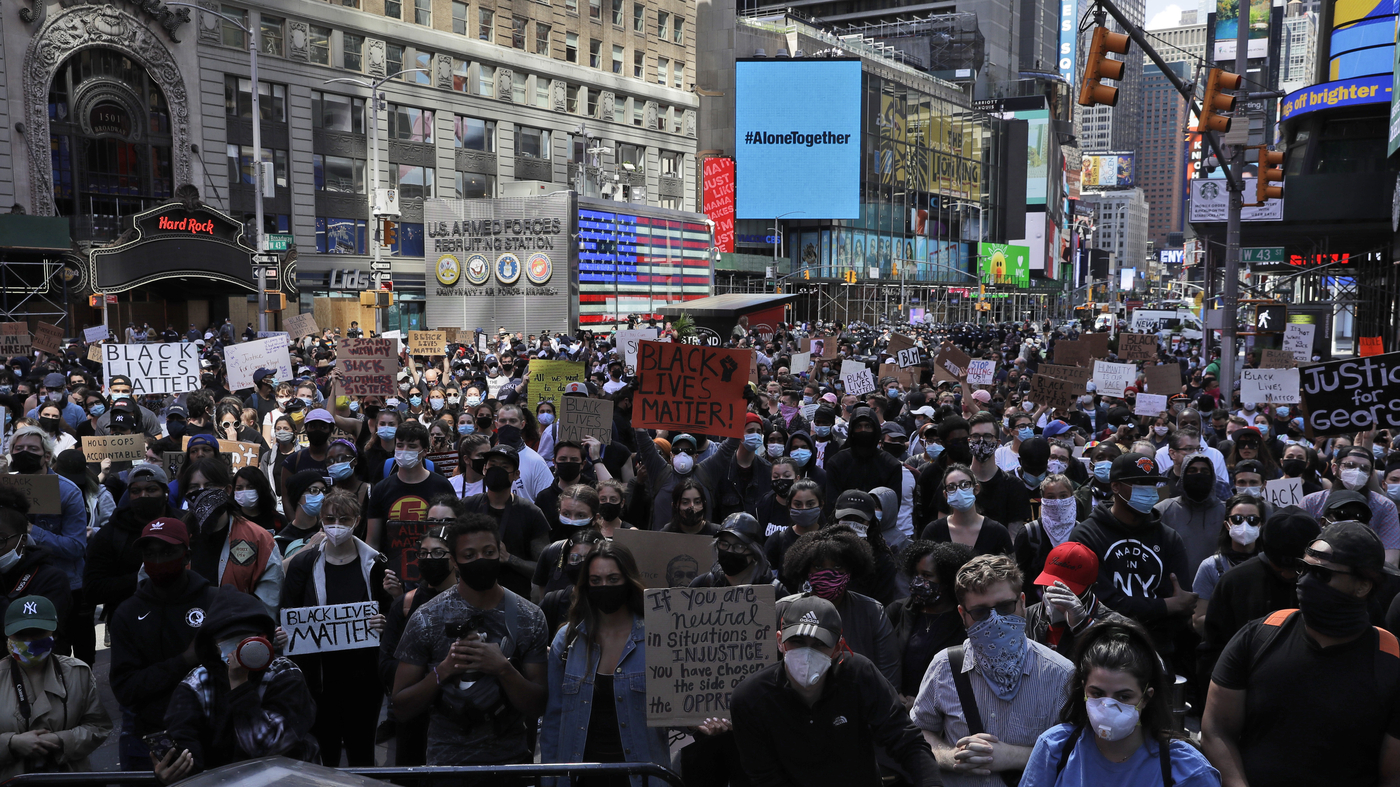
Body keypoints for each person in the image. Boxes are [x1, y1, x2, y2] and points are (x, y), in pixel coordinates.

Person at [1202, 521, 1400, 787]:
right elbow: (1216, 729)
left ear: (1362, 586)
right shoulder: (1258, 637)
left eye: (1321, 574)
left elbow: (1393, 775)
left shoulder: (1390, 662)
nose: (1305, 581)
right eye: (1303, 568)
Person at [729, 593, 941, 786]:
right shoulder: (751, 698)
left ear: (838, 648)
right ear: (780, 641)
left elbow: (906, 740)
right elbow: (764, 776)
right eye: (797, 641)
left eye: (819, 644)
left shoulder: (859, 675)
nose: (807, 653)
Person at [390, 514, 549, 766]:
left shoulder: (529, 617)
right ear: (454, 561)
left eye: (488, 552)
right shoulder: (426, 618)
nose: (480, 560)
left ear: (500, 552)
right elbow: (401, 707)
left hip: (511, 762)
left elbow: (538, 705)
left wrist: (503, 669)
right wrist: (444, 670)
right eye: (469, 555)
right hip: (446, 764)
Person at [910, 554, 1074, 787]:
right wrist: (950, 756)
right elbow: (919, 731)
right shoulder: (944, 666)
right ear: (963, 615)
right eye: (980, 612)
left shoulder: (1061, 675)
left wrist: (1013, 756)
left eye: (1005, 607)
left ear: (1022, 603)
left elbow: (1075, 752)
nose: (995, 620)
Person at [1020, 620, 1220, 787]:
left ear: (1146, 698)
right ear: (1084, 690)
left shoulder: (1185, 769)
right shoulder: (1054, 749)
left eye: (1123, 697)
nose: (1108, 706)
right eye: (1097, 693)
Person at [156, 585, 320, 783]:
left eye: (245, 639)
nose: (237, 649)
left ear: (263, 639)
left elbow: (270, 747)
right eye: (227, 640)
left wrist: (240, 687)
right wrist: (175, 769)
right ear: (214, 647)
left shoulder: (285, 674)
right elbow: (183, 738)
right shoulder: (197, 683)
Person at [540, 542, 670, 785]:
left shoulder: (657, 638)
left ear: (629, 581)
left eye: (613, 579)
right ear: (586, 585)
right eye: (595, 580)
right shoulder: (568, 641)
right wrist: (549, 780)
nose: (604, 587)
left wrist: (701, 722)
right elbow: (553, 720)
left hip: (641, 778)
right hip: (581, 777)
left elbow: (674, 709)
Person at [278, 488, 390, 766]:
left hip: (364, 680)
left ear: (357, 521)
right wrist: (282, 634)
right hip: (318, 681)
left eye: (344, 519)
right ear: (321, 521)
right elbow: (288, 613)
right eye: (330, 519)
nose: (336, 525)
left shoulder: (375, 564)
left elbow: (388, 612)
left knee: (362, 752)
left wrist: (384, 622)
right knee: (324, 754)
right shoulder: (303, 565)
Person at [107, 517, 220, 771]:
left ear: (186, 555)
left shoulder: (215, 601)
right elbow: (126, 689)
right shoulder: (127, 614)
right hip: (150, 738)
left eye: (167, 552)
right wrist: (184, 660)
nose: (158, 561)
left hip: (210, 731)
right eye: (150, 554)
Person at [1068, 453, 1196, 667]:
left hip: (1157, 653)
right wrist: (1165, 606)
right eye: (1140, 483)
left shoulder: (1169, 538)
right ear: (1115, 487)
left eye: (1152, 483)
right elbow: (1100, 605)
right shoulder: (1087, 536)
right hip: (1101, 652)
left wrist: (1167, 608)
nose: (1149, 490)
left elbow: (1182, 605)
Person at [0, 594, 112, 780]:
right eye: (20, 635)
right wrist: (11, 744)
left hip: (70, 778)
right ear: (7, 636)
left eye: (37, 633)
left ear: (54, 634)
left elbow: (99, 727)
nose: (28, 641)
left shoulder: (77, 673)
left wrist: (60, 740)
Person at [1199, 508, 1319, 680]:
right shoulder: (1235, 582)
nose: (1288, 575)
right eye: (1279, 568)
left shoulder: (1326, 581)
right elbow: (1213, 649)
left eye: (1298, 569)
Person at [779, 526, 899, 686]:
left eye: (837, 567)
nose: (828, 574)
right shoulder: (783, 609)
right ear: (806, 569)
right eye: (819, 567)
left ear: (850, 570)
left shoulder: (872, 612)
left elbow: (888, 676)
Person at [366, 420, 456, 585]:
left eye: (412, 446)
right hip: (392, 576)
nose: (404, 451)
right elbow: (372, 542)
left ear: (425, 451)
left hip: (434, 574)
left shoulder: (441, 485)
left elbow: (453, 531)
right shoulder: (381, 489)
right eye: (400, 445)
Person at [458, 445, 550, 598]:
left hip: (514, 600)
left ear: (516, 475)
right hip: (471, 597)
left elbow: (544, 569)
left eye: (504, 467)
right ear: (484, 469)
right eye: (492, 465)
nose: (497, 470)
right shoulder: (466, 507)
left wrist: (509, 559)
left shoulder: (531, 513)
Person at [886, 540, 973, 703]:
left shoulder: (963, 621)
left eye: (926, 575)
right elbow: (882, 658)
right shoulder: (898, 611)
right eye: (916, 574)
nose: (918, 581)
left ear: (946, 581)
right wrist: (894, 693)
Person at [1024, 542, 1130, 660]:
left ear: (1091, 588)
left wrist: (1084, 627)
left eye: (1069, 592)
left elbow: (1121, 663)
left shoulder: (1118, 627)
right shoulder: (1027, 617)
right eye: (1051, 586)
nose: (1057, 600)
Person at [1301, 447, 1400, 565]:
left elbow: (1390, 560)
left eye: (1364, 468)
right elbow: (1300, 548)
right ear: (1335, 468)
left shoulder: (1385, 507)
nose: (1357, 472)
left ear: (1371, 475)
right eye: (1350, 466)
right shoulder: (1311, 502)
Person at [1190, 494, 1263, 635]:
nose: (1245, 525)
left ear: (1261, 525)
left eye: (1252, 520)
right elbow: (1198, 621)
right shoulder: (1210, 567)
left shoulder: (1269, 564)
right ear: (1227, 525)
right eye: (1237, 519)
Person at [1155, 452, 1227, 579]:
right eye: (1192, 471)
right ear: (1183, 475)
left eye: (1204, 471)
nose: (1199, 475)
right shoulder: (1163, 510)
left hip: (1217, 586)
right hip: (1175, 586)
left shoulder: (1227, 512)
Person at [921, 463, 1015, 557]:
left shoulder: (997, 532)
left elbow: (1010, 564)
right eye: (951, 487)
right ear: (946, 495)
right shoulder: (933, 531)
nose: (959, 491)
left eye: (965, 485)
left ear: (976, 489)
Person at [1014, 473, 1080, 583]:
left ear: (1072, 497)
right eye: (1051, 497)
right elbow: (1021, 577)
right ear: (1043, 500)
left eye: (1063, 496)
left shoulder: (1082, 533)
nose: (1057, 502)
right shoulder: (1029, 533)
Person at [690, 513, 778, 589]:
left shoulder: (774, 590)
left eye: (739, 546)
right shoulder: (702, 584)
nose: (729, 551)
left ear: (754, 552)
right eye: (724, 544)